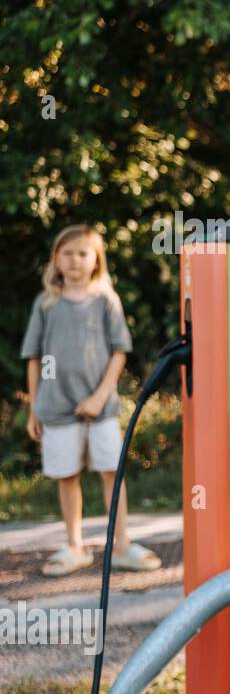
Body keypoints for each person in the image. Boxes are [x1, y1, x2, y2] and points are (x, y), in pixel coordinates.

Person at [20, 224, 162, 577]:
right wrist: (39, 403)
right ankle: (74, 546)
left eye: (83, 253)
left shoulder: (105, 301)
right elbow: (40, 357)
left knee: (112, 473)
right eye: (67, 252)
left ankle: (122, 545)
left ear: (95, 259)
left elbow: (118, 352)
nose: (75, 260)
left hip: (101, 411)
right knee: (66, 476)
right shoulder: (47, 304)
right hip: (57, 411)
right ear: (56, 258)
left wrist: (99, 397)